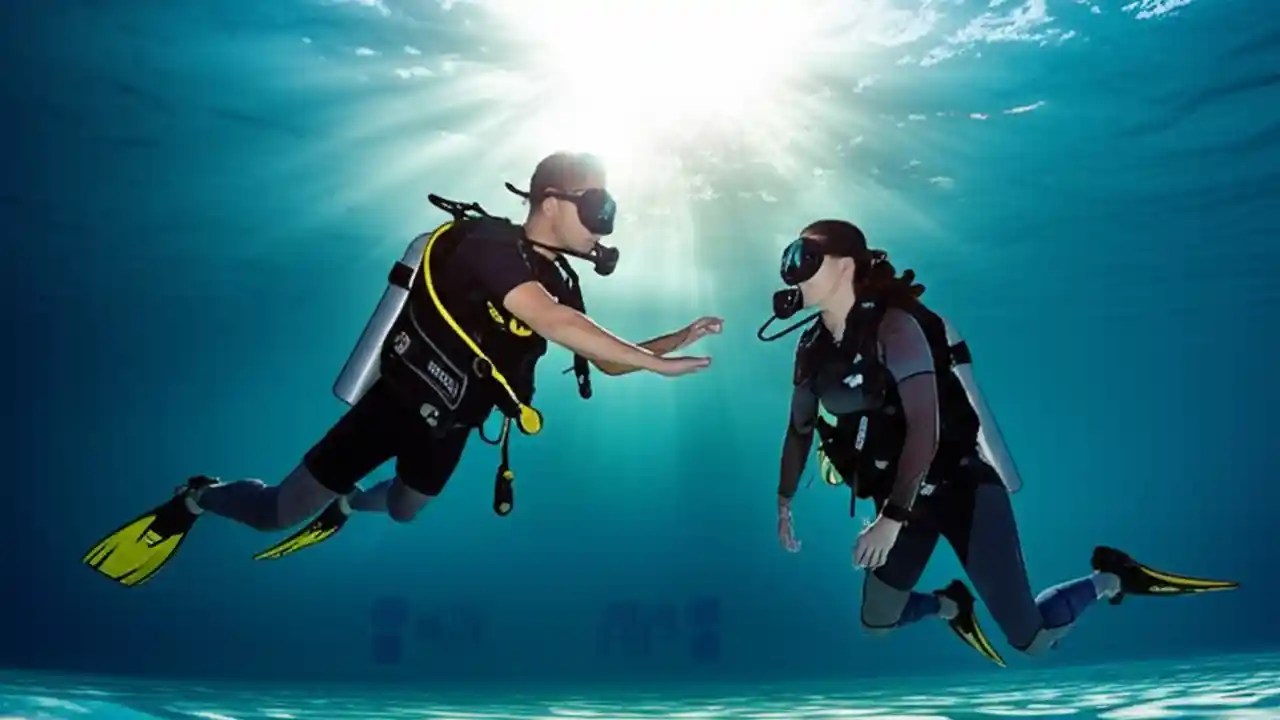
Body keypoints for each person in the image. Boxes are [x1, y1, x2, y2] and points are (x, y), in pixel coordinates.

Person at [84, 151, 722, 586]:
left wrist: (669, 342)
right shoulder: (488, 245)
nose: (606, 224)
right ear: (551, 201)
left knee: (403, 509)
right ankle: (198, 496)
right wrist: (655, 366)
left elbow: (600, 361)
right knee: (278, 511)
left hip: (453, 427)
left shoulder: (561, 280)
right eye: (599, 207)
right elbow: (551, 322)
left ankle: (345, 506)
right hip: (393, 403)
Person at [756, 219, 1238, 666]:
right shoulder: (812, 346)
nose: (791, 270)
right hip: (900, 503)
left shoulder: (896, 327)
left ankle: (1112, 577)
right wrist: (784, 500)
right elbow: (799, 427)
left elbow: (927, 427)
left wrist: (889, 521)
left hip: (962, 491)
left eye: (805, 257)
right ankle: (951, 605)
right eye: (789, 256)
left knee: (1032, 640)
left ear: (845, 266)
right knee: (877, 623)